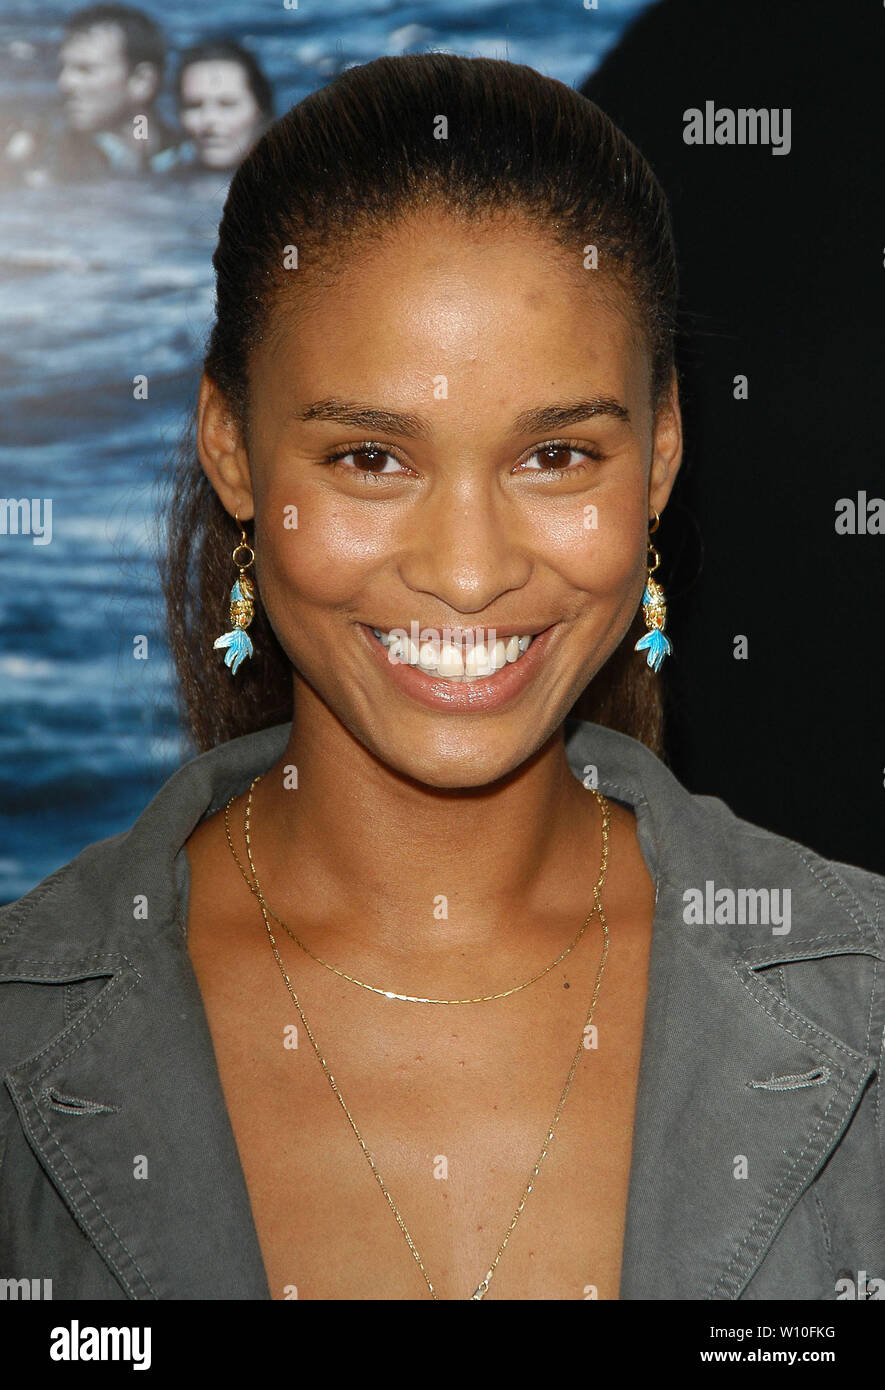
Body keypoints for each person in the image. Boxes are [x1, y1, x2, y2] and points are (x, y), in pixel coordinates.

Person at [0, 55, 882, 1301]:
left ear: (663, 459)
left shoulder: (865, 1004)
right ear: (233, 452)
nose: (468, 574)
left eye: (557, 454)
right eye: (370, 456)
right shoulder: (22, 1033)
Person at [3, 3, 178, 183]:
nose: (64, 83)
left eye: (85, 70)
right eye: (62, 67)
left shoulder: (187, 154)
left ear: (141, 81)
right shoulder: (40, 151)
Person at [175, 39, 274, 172]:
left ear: (260, 110)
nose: (209, 119)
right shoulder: (157, 179)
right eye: (194, 105)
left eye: (227, 104)